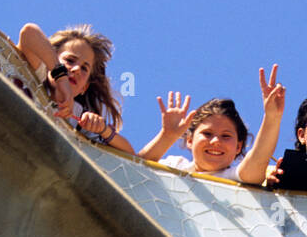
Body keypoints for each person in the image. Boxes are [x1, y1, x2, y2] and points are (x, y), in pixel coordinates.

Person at [138, 67, 287, 184]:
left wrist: (272, 117)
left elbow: (257, 162)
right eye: (207, 134)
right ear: (189, 140)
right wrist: (167, 136)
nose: (216, 141)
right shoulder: (174, 165)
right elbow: (133, 168)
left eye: (226, 136)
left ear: (238, 147)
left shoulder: (233, 178)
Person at [15, 23, 135, 153]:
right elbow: (29, 32)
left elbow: (129, 153)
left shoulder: (77, 117)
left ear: (84, 88)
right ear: (52, 59)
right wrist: (61, 78)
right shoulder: (38, 76)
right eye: (70, 60)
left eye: (84, 68)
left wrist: (102, 129)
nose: (77, 69)